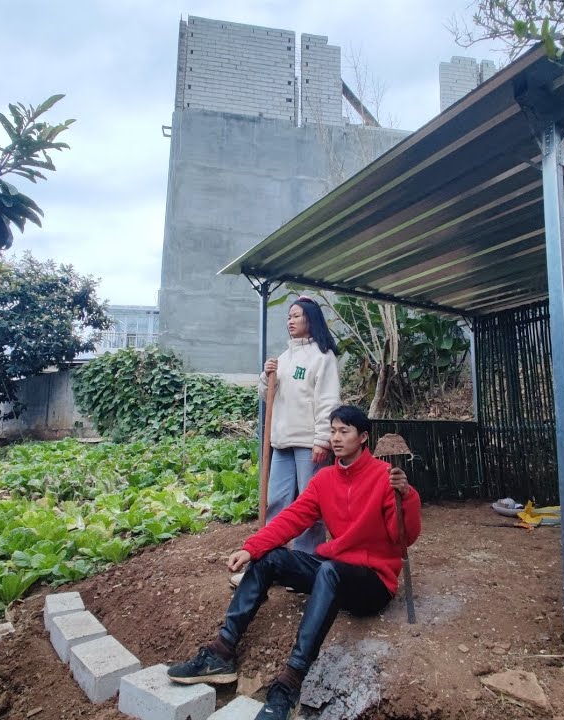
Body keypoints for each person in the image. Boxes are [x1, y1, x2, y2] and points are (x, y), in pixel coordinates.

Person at [169, 405, 421, 720]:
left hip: (372, 582)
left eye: (344, 431)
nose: (336, 438)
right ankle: (221, 652)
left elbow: (404, 539)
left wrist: (407, 496)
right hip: (335, 571)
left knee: (329, 571)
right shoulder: (325, 479)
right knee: (271, 557)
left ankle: (290, 683)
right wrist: (252, 548)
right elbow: (291, 518)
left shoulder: (385, 478)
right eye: (333, 431)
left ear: (363, 437)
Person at [233, 296, 340, 588]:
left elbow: (328, 402)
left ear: (311, 320)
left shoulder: (323, 356)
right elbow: (267, 397)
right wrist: (268, 378)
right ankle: (268, 565)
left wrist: (323, 439)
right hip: (280, 443)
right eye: (288, 317)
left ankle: (306, 569)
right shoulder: (283, 357)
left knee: (309, 506)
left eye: (296, 316)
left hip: (310, 444)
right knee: (276, 503)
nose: (290, 321)